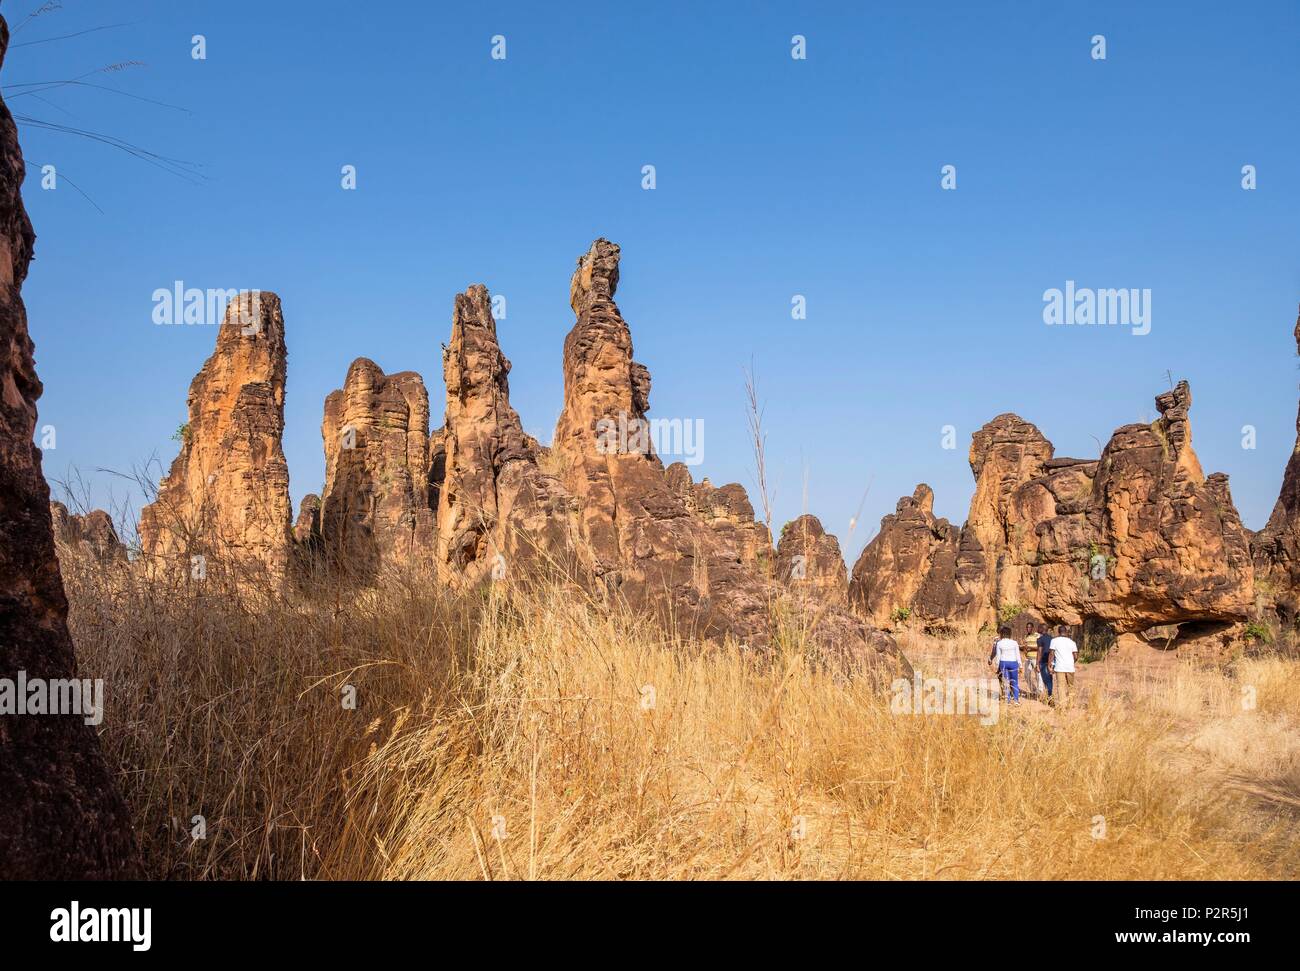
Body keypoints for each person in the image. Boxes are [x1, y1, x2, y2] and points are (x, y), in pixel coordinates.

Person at [989, 625, 1021, 706]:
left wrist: (997, 667)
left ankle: (1008, 701)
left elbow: (998, 657)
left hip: (1003, 663)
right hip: (1013, 663)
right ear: (1010, 634)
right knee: (1014, 682)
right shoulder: (1014, 642)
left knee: (1005, 682)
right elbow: (1018, 655)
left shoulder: (999, 643)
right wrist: (1020, 665)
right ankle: (1016, 701)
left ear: (1002, 634)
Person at [1048, 625, 1079, 707]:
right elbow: (1076, 656)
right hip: (1070, 667)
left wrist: (1050, 665)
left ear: (1058, 632)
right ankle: (1071, 704)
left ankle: (1062, 706)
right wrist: (1072, 662)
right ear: (1066, 632)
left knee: (1061, 686)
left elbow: (1051, 654)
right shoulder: (1072, 642)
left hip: (1059, 667)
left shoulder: (1054, 641)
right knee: (1071, 686)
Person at [1020, 622, 1041, 698]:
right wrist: (1022, 648)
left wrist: (1031, 648)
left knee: (1038, 675)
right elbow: (1025, 647)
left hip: (1036, 658)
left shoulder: (1037, 635)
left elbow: (1040, 647)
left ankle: (1040, 692)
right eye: (1027, 627)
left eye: (1029, 627)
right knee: (1026, 675)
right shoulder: (1026, 636)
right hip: (1028, 658)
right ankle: (1034, 691)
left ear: (1032, 628)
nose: (1028, 629)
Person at [1036, 624, 1054, 701]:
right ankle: (1049, 696)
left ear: (1042, 629)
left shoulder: (1040, 639)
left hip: (1044, 661)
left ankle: (1050, 697)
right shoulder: (1052, 639)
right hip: (1052, 661)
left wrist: (1037, 664)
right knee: (1050, 679)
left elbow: (1039, 651)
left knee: (1046, 680)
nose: (1037, 629)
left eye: (1038, 627)